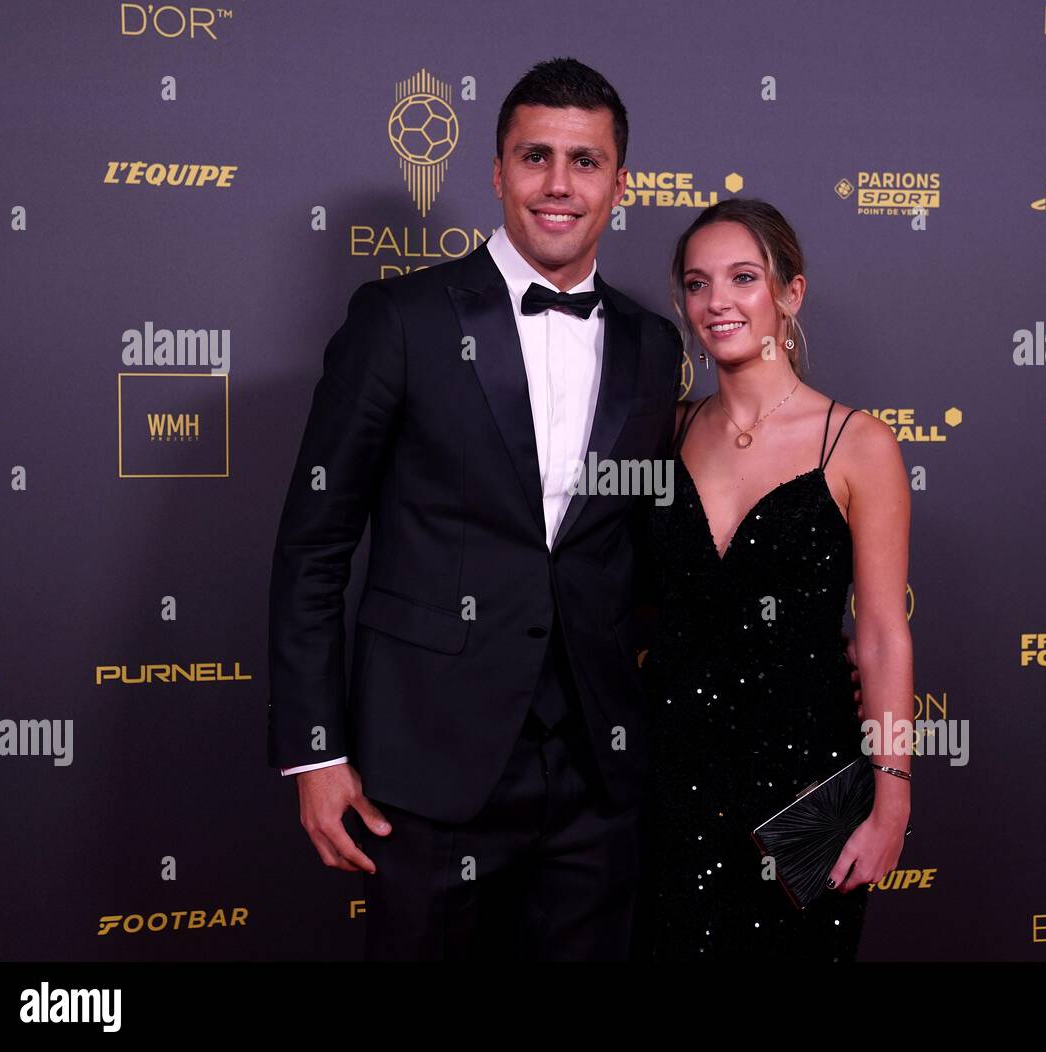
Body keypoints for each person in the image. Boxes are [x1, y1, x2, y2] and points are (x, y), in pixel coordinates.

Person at [266, 57, 684, 959]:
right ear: (496, 173)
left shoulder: (655, 347)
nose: (559, 185)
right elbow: (314, 546)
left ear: (621, 182)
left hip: (596, 777)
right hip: (425, 769)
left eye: (586, 160)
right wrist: (315, 751)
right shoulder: (400, 320)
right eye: (535, 157)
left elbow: (641, 547)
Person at [631, 198, 913, 961]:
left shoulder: (858, 444)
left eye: (742, 277)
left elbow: (884, 634)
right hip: (669, 778)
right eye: (697, 283)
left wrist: (891, 797)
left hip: (803, 786)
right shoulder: (668, 431)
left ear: (790, 294)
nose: (717, 301)